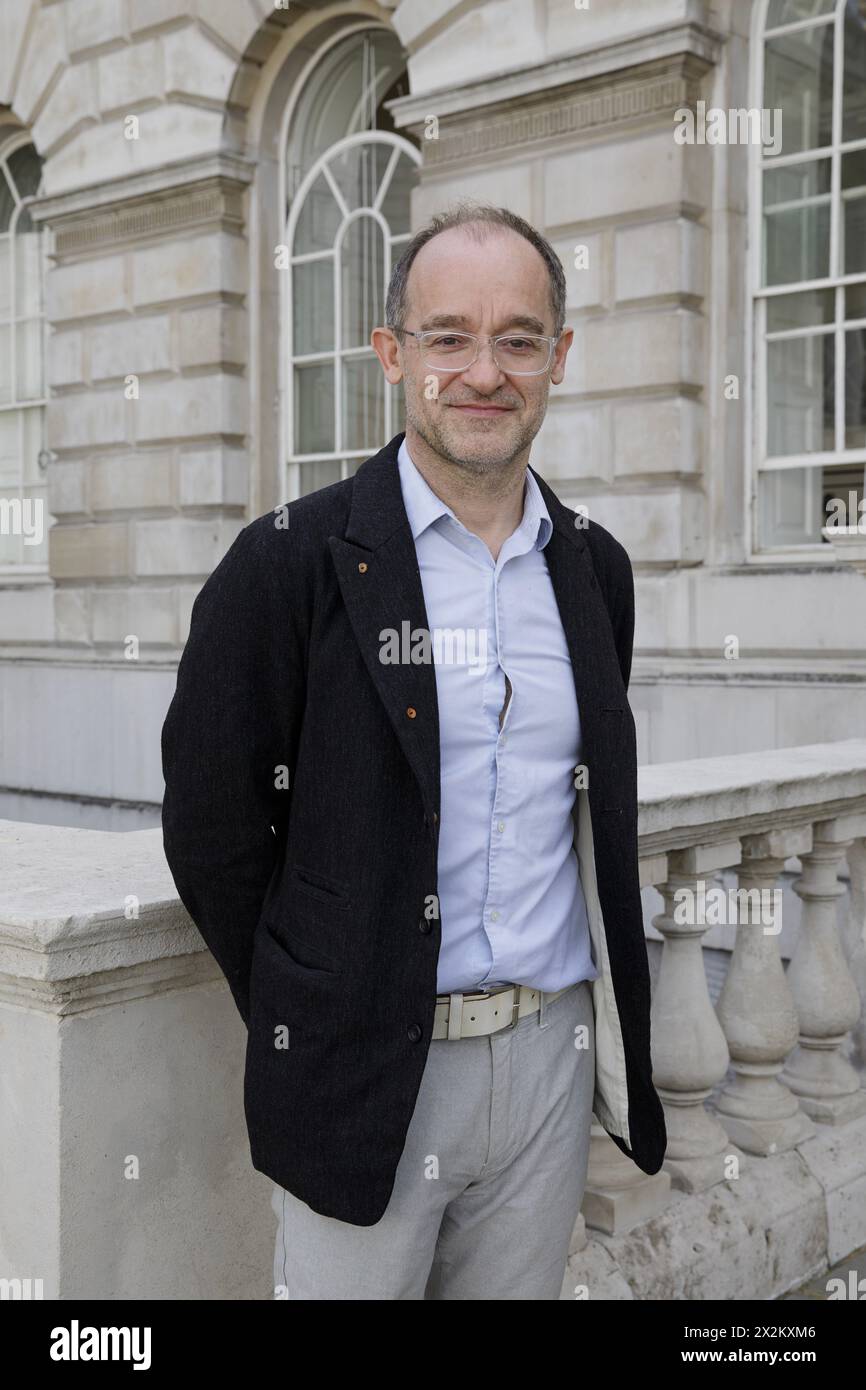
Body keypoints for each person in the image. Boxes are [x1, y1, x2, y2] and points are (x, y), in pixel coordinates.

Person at [161, 202, 666, 1300]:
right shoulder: (284, 566)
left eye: (518, 339)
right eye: (447, 336)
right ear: (393, 354)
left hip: (547, 1059)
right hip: (362, 1069)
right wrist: (322, 1000)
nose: (483, 371)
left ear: (558, 359)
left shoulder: (594, 569)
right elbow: (211, 825)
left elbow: (582, 807)